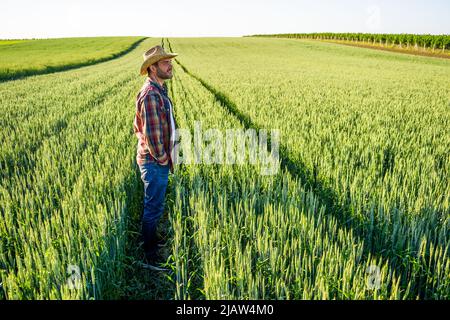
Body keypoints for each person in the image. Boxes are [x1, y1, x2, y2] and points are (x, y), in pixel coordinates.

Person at [133, 45, 178, 270]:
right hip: (154, 162)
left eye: (170, 61)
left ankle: (152, 240)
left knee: (156, 205)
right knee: (153, 208)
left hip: (157, 161)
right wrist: (162, 159)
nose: (170, 66)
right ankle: (150, 254)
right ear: (152, 68)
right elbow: (152, 136)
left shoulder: (159, 89)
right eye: (165, 62)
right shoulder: (151, 94)